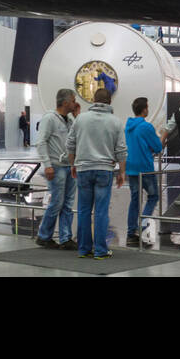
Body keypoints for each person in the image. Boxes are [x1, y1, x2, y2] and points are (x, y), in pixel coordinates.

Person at [68, 87, 126, 259]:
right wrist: (122, 172)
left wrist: (73, 164)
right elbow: (121, 150)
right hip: (104, 170)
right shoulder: (116, 122)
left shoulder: (81, 119)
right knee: (101, 211)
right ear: (109, 102)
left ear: (93, 100)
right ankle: (100, 250)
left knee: (84, 210)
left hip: (83, 169)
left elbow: (70, 144)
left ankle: (84, 249)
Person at [35, 88, 77, 250]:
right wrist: (47, 165)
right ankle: (44, 235)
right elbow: (41, 142)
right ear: (65, 102)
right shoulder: (49, 119)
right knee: (57, 203)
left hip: (69, 166)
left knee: (67, 204)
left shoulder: (70, 119)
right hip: (56, 167)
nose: (75, 103)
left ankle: (66, 238)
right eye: (73, 100)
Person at [124, 96, 165, 247]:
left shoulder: (128, 126)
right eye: (147, 107)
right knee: (153, 197)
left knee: (135, 200)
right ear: (144, 110)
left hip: (131, 168)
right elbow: (158, 147)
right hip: (145, 168)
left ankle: (130, 233)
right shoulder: (146, 127)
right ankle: (143, 227)